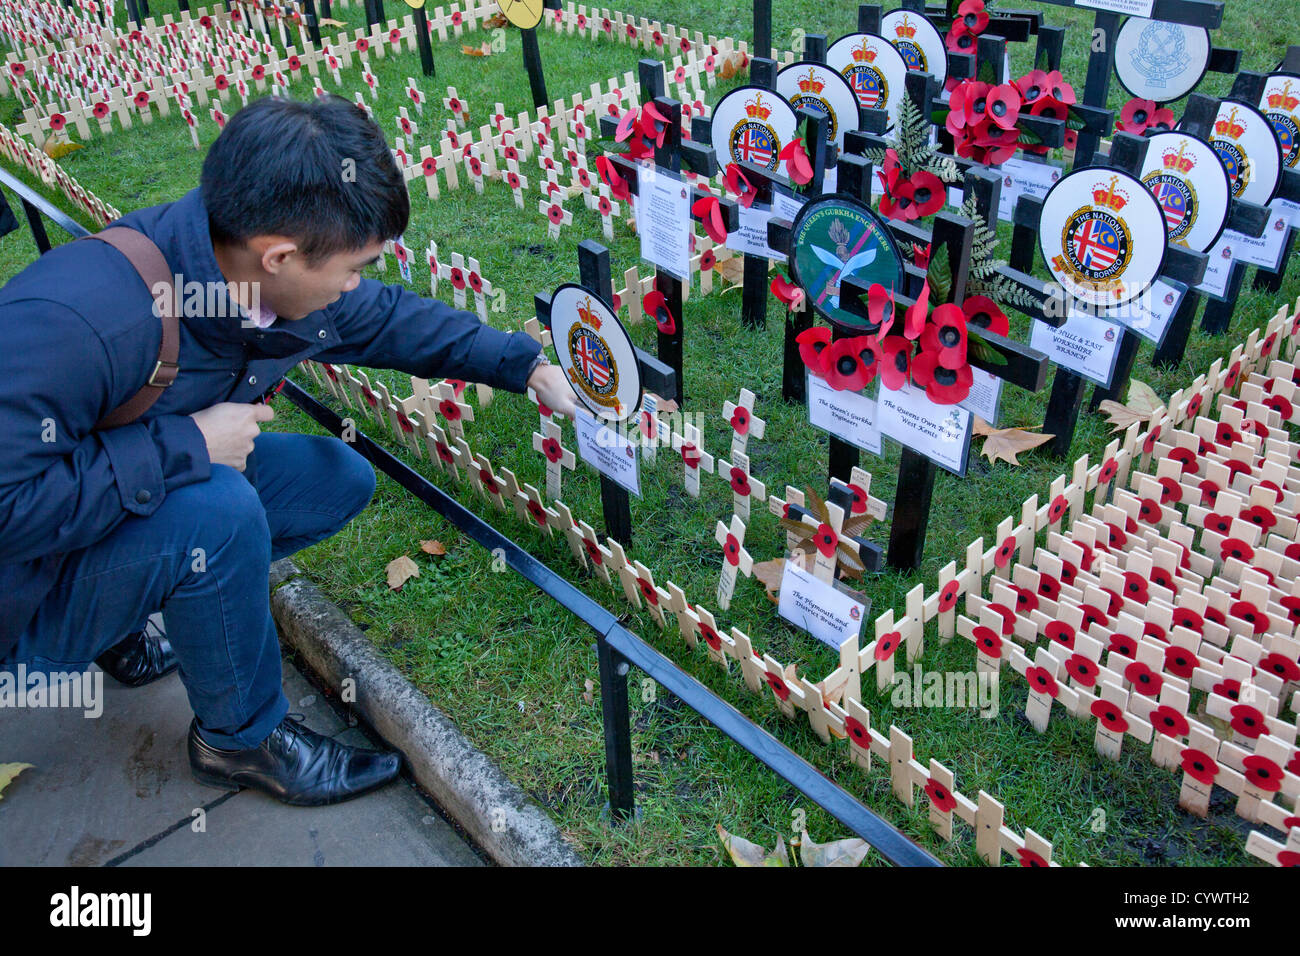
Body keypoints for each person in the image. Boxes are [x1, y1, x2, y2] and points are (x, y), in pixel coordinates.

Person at [0, 94, 577, 806]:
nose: (355, 284)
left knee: (334, 480)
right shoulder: (73, 322)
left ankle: (118, 617)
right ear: (278, 254)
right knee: (218, 511)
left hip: (91, 523)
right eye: (353, 266)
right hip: (17, 607)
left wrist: (523, 366)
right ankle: (240, 741)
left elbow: (387, 319)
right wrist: (189, 444)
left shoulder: (245, 270)